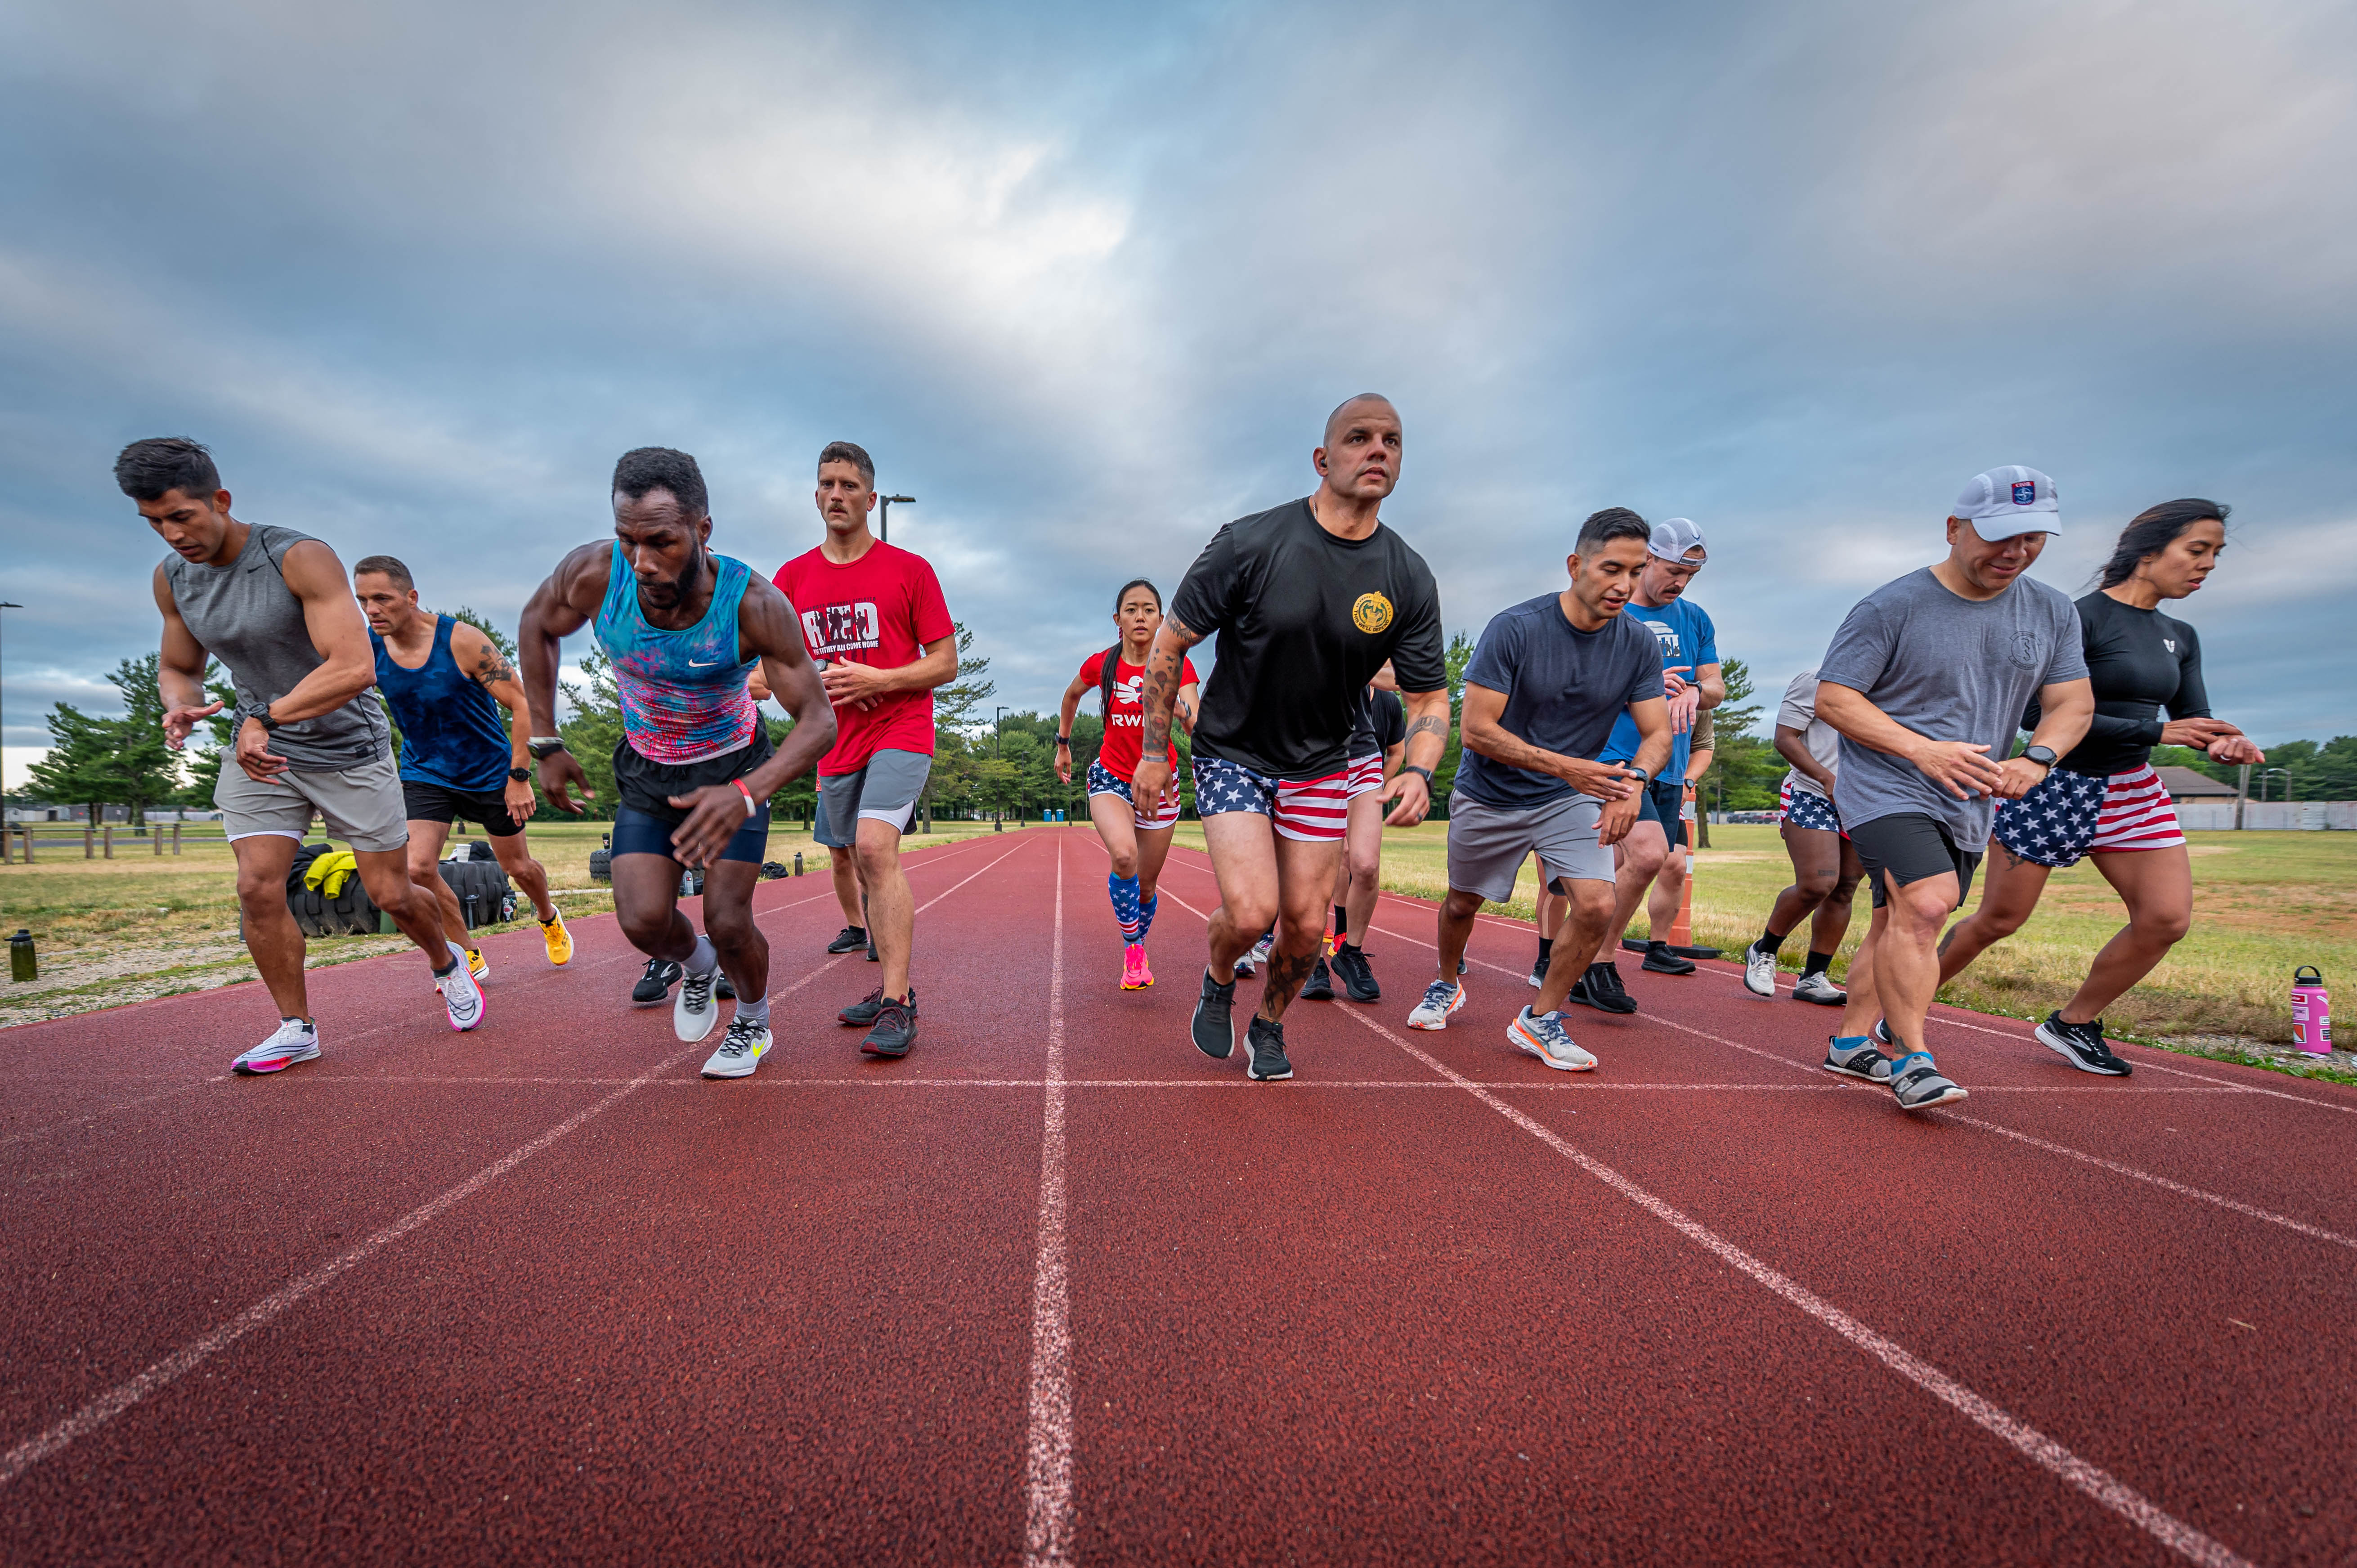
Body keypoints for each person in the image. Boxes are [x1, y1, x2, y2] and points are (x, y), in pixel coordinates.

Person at [125, 437, 486, 1072]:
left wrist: (264, 715)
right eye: (154, 522)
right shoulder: (172, 579)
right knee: (256, 886)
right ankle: (297, 1027)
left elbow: (353, 667)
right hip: (261, 752)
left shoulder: (297, 557)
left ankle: (446, 962)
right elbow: (180, 666)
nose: (172, 534)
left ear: (221, 500)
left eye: (181, 516)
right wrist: (180, 703)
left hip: (346, 745)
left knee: (391, 892)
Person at [1130, 394, 1450, 1082]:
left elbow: (1428, 697)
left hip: (1322, 763)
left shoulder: (1407, 576)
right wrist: (1156, 753)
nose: (1378, 449)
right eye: (1360, 437)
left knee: (1307, 927)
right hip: (1233, 751)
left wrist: (1420, 769)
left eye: (1392, 440)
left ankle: (1269, 1025)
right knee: (1252, 911)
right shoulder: (1250, 542)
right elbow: (1170, 645)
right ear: (1322, 459)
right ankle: (1220, 975)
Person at [520, 447, 835, 1079]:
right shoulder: (594, 574)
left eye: (661, 542)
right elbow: (536, 624)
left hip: (730, 768)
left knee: (727, 919)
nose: (642, 561)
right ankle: (697, 966)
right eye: (628, 539)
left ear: (701, 530)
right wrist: (546, 740)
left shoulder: (753, 604)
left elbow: (819, 721)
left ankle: (753, 1021)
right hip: (648, 768)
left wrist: (746, 792)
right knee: (642, 921)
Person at [1927, 500, 2264, 1075]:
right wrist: (2157, 731)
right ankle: (1900, 1006)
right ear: (2148, 551)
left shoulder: (2179, 635)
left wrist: (2221, 742)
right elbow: (2036, 715)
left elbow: (2192, 719)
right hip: (2050, 785)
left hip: (2131, 789)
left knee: (2165, 920)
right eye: (2196, 550)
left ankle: (2074, 1023)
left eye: (2215, 553)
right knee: (1999, 921)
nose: (2207, 564)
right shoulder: (2076, 618)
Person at [1815, 466, 2093, 1111]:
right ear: (1953, 529)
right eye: (1999, 536)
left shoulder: (2052, 611)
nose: (2015, 551)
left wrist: (2039, 758)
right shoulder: (1891, 606)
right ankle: (1912, 1060)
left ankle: (1850, 1042)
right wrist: (1920, 749)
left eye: (2031, 538)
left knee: (1896, 920)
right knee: (1927, 904)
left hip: (1971, 796)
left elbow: (2072, 703)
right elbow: (1834, 698)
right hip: (1886, 783)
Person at [1405, 507, 1670, 1070]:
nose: (1624, 585)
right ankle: (1446, 981)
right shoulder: (1515, 628)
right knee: (1461, 903)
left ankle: (1540, 1018)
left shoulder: (1638, 645)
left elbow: (1657, 734)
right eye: (1611, 569)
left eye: (1636, 571)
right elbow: (1476, 731)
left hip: (1567, 797)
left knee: (1596, 905)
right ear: (1575, 566)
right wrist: (1568, 767)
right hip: (1491, 793)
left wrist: (1634, 782)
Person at [766, 441, 957, 1057]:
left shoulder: (910, 570)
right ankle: (885, 988)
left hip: (902, 729)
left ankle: (899, 1002)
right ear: (815, 495)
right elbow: (765, 675)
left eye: (849, 485)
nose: (837, 494)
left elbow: (945, 663)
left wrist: (882, 679)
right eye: (827, 483)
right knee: (851, 856)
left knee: (876, 848)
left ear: (871, 499)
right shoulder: (791, 580)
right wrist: (819, 679)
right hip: (835, 743)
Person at [353, 557, 572, 980]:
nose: (371, 610)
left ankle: (548, 916)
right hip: (425, 771)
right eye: (363, 600)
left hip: (490, 773)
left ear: (411, 597)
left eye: (382, 598)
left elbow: (522, 703)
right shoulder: (368, 647)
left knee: (518, 868)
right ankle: (465, 952)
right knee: (417, 869)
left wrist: (520, 776)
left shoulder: (462, 641)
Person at [1574, 518, 1721, 1014]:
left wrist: (1697, 691)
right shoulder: (1610, 611)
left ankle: (1574, 956)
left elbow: (1716, 686)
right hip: (1613, 757)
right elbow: (1579, 687)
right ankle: (1596, 960)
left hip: (1669, 764)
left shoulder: (1695, 619)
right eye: (1673, 570)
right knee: (1648, 854)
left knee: (1626, 865)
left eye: (1690, 575)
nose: (1680, 582)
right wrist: (1643, 687)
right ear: (1649, 560)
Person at [1054, 578, 1200, 989]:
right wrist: (1063, 745)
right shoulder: (1103, 663)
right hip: (1111, 775)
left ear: (1161, 619)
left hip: (1160, 783)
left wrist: (1183, 712)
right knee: (1124, 857)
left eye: (1149, 610)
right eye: (1131, 609)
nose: (1140, 616)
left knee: (1147, 887)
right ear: (1117, 620)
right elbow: (1071, 696)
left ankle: (1137, 941)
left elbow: (1196, 719)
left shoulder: (1179, 664)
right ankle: (1133, 950)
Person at [1740, 666, 1863, 1004]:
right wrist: (1826, 778)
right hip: (1813, 791)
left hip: (1863, 799)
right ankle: (1764, 951)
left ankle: (1813, 978)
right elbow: (1785, 738)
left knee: (1845, 889)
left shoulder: (1893, 686)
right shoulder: (1816, 680)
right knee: (1818, 883)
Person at [1302, 660, 1403, 1002]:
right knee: (1317, 870)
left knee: (1365, 865)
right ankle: (1313, 962)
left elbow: (1399, 677)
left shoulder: (1358, 630)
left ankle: (1350, 951)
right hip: (1310, 756)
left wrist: (1354, 657)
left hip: (1362, 753)